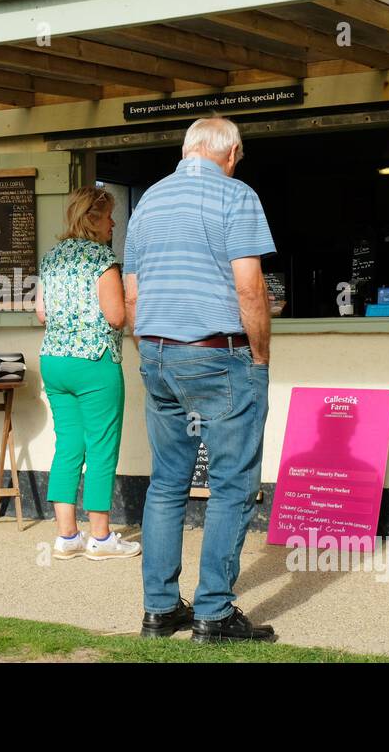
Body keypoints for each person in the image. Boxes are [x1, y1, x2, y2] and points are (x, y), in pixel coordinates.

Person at [123, 117, 279, 642]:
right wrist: (259, 358)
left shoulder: (148, 202)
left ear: (187, 150)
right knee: (233, 484)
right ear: (231, 152)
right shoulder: (236, 196)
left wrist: (150, 350)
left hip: (158, 355)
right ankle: (214, 613)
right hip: (219, 356)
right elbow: (250, 287)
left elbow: (133, 294)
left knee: (167, 483)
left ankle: (160, 609)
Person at [35, 186, 138, 562]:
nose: (114, 222)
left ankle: (67, 537)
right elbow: (115, 316)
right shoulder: (102, 259)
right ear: (94, 219)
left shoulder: (51, 258)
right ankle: (101, 538)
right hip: (94, 363)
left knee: (67, 446)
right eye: (109, 215)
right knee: (101, 448)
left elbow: (42, 314)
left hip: (54, 361)